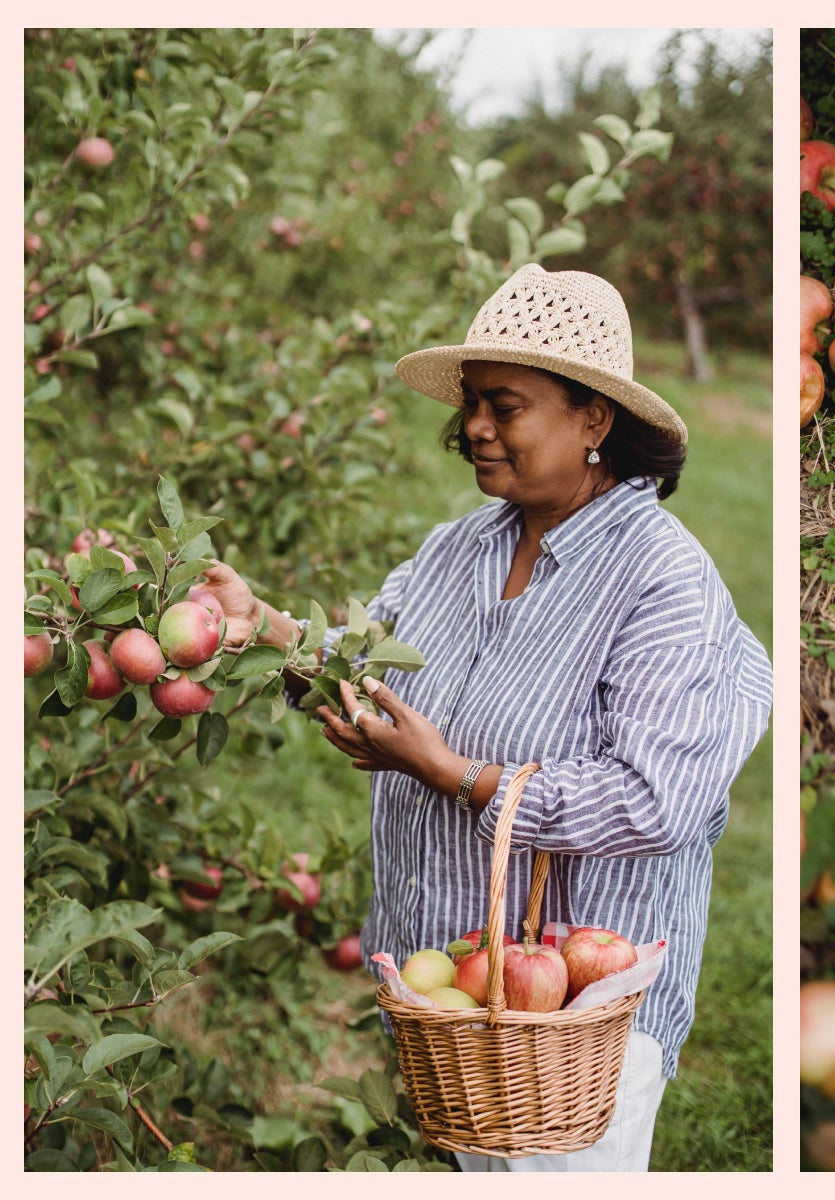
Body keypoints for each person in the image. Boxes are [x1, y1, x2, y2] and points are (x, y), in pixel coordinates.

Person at [200, 263, 773, 1171]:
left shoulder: (661, 579)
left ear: (595, 419)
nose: (473, 427)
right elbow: (365, 665)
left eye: (504, 405)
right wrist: (263, 628)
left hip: (569, 1029)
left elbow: (658, 801)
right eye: (471, 404)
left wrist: (459, 777)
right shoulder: (458, 545)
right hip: (451, 1002)